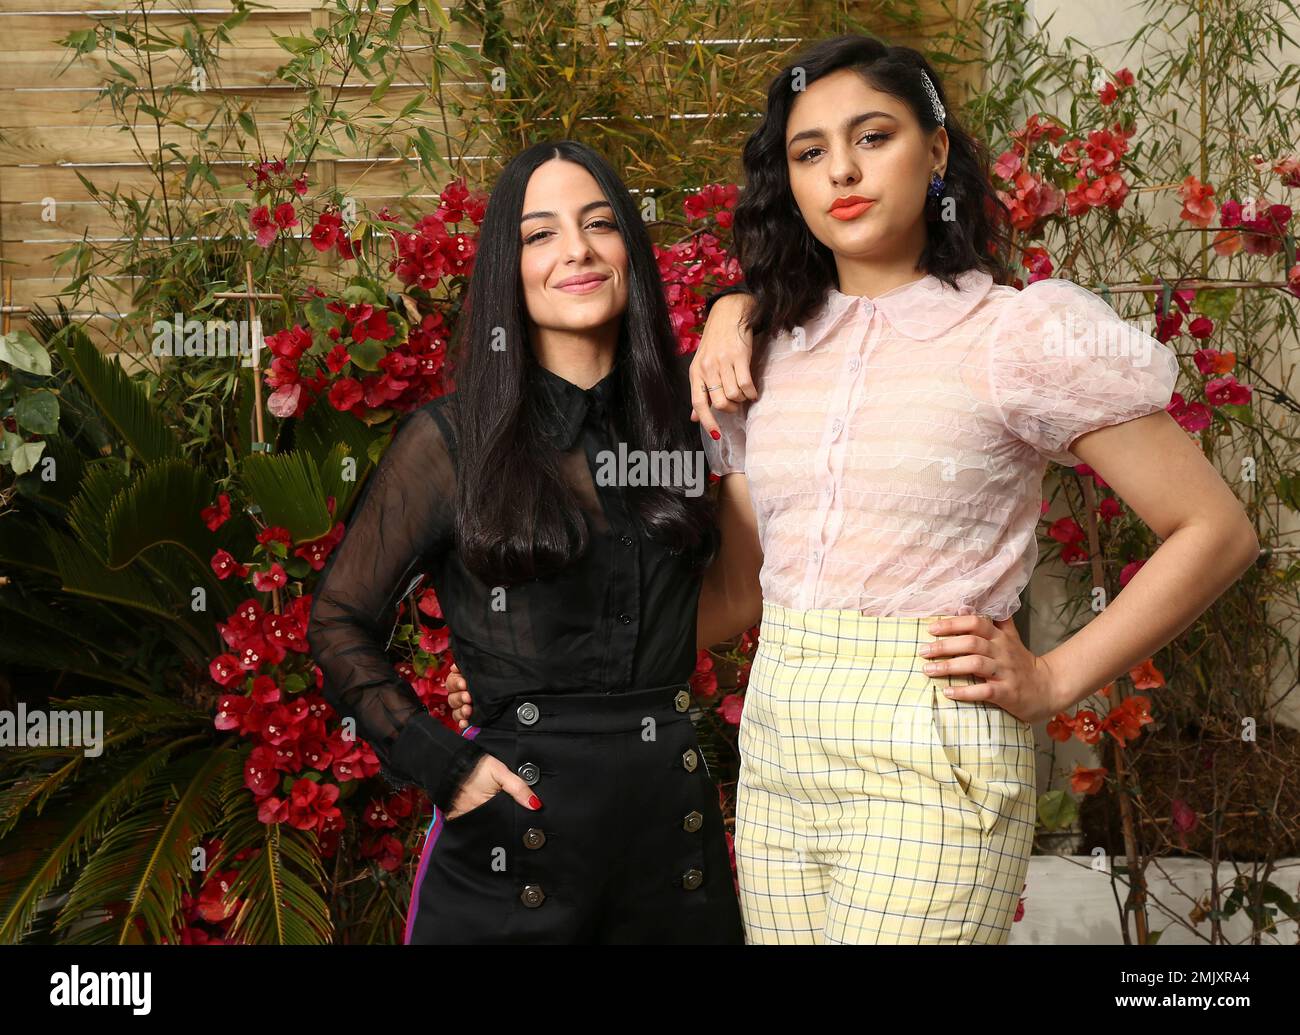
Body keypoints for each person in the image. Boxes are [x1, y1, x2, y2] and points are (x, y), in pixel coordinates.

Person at [455, 35, 1259, 944]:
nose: (841, 169)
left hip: (930, 743)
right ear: (787, 181)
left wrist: (1054, 678)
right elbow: (740, 585)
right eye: (809, 152)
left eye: (873, 136)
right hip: (780, 746)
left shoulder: (1020, 335)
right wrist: (530, 669)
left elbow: (1214, 528)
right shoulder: (763, 347)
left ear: (938, 148)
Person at [307, 140, 760, 945]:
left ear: (631, 249)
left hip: (670, 846)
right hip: (509, 844)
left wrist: (737, 306)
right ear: (506, 271)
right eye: (539, 234)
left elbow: (731, 593)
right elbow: (337, 618)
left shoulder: (686, 422)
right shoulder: (450, 441)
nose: (577, 250)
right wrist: (442, 762)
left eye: (599, 224)